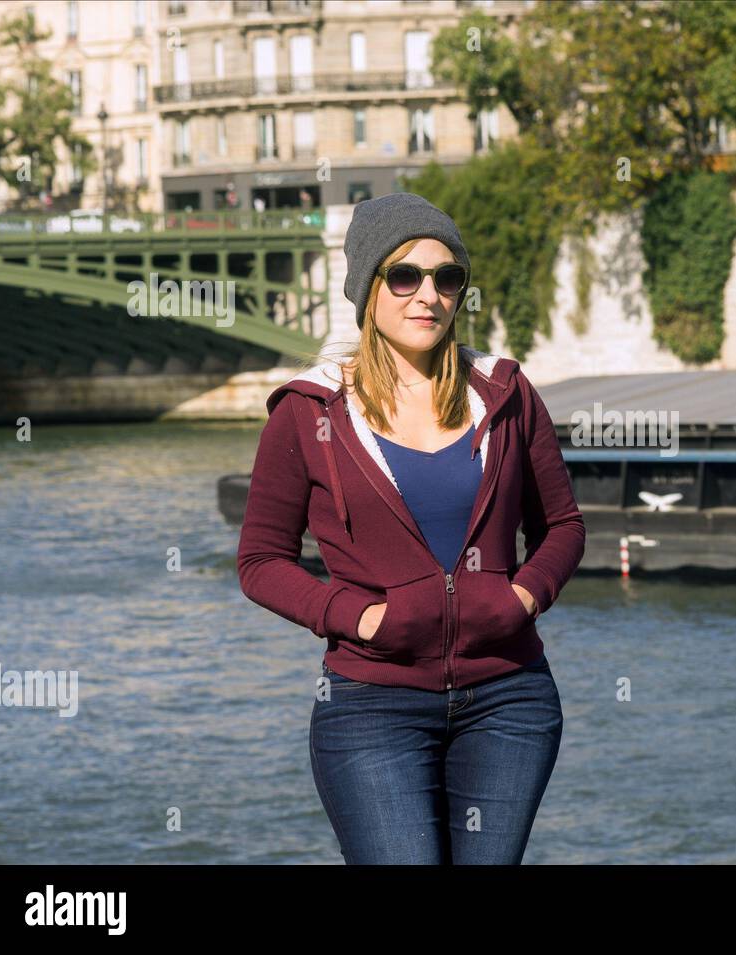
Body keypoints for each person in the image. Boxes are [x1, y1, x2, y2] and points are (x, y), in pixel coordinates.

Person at [236, 191, 586, 863]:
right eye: (405, 275)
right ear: (368, 288)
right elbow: (260, 561)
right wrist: (360, 618)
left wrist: (522, 596)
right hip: (371, 705)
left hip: (509, 700)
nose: (427, 294)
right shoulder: (309, 411)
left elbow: (562, 526)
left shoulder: (507, 394)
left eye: (446, 277)